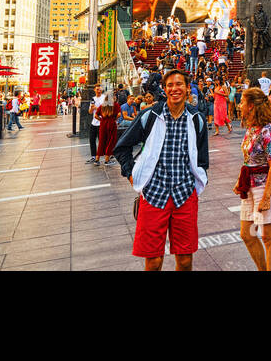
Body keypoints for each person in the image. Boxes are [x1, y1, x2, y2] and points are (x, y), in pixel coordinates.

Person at [115, 68, 209, 271]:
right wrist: (131, 175)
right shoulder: (150, 115)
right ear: (165, 89)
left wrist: (200, 180)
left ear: (187, 89)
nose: (175, 89)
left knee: (185, 260)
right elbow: (121, 147)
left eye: (179, 84)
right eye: (170, 85)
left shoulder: (196, 119)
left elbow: (202, 159)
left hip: (184, 194)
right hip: (154, 194)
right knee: (153, 261)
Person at [236, 88, 271, 271]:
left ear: (251, 106)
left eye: (242, 102)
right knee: (247, 234)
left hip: (266, 187)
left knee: (268, 236)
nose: (239, 105)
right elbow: (247, 158)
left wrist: (266, 197)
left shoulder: (268, 131)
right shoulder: (251, 127)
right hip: (250, 188)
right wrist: (239, 181)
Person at [96, 99, 119, 166]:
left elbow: (96, 115)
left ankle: (97, 159)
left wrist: (101, 120)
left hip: (103, 124)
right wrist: (114, 119)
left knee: (101, 141)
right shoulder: (115, 105)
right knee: (111, 141)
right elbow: (119, 114)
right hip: (111, 123)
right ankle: (107, 160)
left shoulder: (102, 106)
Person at [87, 85, 104, 163]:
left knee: (101, 140)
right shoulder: (93, 99)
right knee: (92, 140)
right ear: (94, 90)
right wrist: (92, 108)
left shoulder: (104, 98)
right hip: (94, 122)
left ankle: (104, 156)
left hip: (102, 122)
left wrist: (96, 108)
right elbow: (90, 112)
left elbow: (105, 110)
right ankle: (93, 156)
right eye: (97, 89)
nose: (98, 91)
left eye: (100, 89)